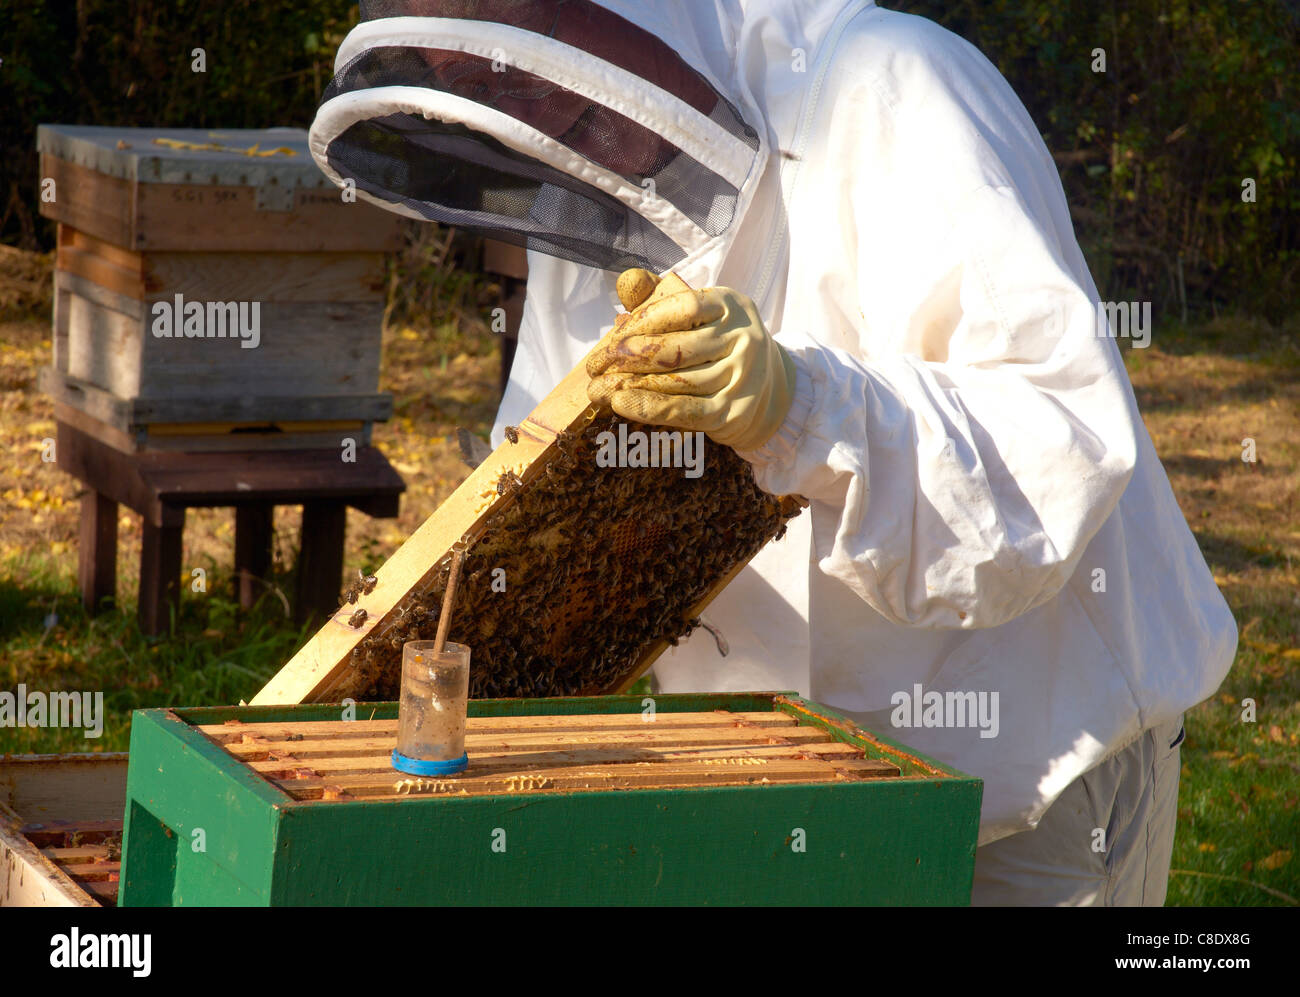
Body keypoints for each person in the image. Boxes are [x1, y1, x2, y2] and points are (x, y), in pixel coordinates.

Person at [310, 0, 1237, 905]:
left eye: (514, 69)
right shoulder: (587, 189)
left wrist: (799, 406)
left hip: (1028, 773)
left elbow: (1056, 448)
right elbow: (535, 485)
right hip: (780, 790)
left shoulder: (894, 87)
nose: (534, 118)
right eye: (467, 84)